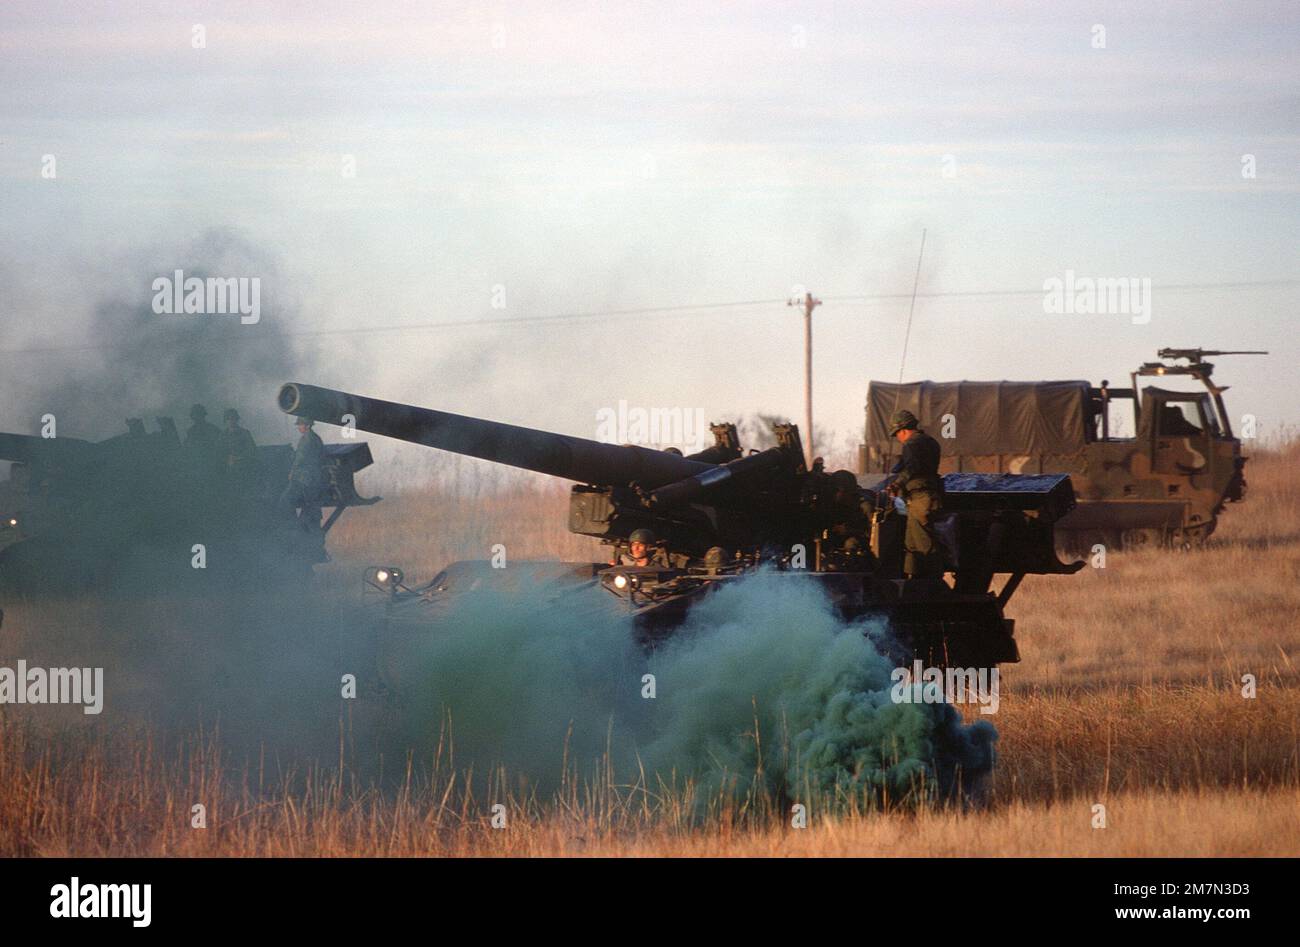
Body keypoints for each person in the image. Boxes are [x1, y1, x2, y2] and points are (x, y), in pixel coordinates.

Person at [885, 409, 945, 579]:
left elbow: (912, 468)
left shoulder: (911, 445)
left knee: (922, 543)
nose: (898, 438)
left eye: (897, 434)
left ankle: (931, 582)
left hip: (919, 499)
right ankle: (914, 581)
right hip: (930, 497)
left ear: (903, 430)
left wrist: (897, 484)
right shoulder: (931, 442)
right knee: (911, 543)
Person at [280, 416, 325, 528]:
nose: (299, 427)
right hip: (314, 478)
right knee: (309, 506)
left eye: (300, 425)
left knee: (285, 500)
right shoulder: (316, 438)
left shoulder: (307, 439)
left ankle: (295, 526)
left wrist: (292, 472)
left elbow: (300, 458)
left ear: (307, 426)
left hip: (303, 478)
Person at [219, 409, 259, 485]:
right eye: (228, 419)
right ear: (225, 420)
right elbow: (219, 451)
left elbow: (252, 450)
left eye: (233, 418)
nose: (231, 421)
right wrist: (227, 458)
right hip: (227, 463)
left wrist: (238, 458)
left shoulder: (245, 433)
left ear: (237, 419)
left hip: (243, 463)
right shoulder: (222, 435)